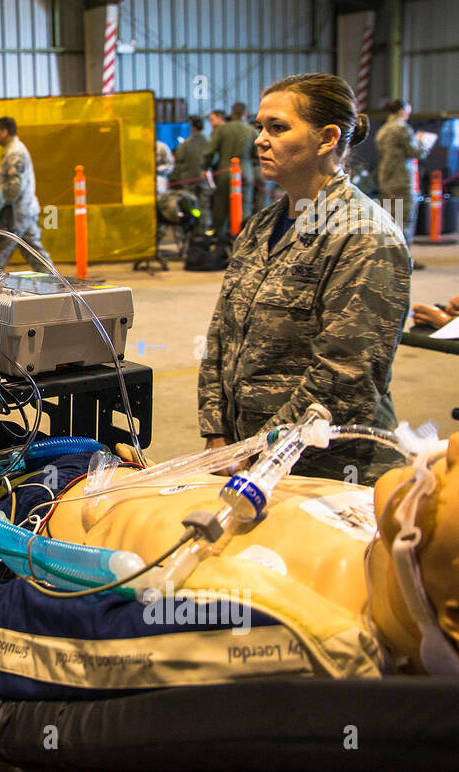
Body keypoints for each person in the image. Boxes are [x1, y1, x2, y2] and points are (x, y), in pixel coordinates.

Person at [46, 431, 459, 675]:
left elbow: (41, 636)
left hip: (38, 513)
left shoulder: (284, 629)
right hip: (117, 473)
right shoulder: (388, 535)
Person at [198, 73, 411, 482]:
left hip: (325, 472)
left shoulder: (364, 236)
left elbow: (346, 378)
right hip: (247, 465)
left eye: (277, 128)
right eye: (261, 127)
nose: (260, 139)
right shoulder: (262, 225)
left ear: (327, 138)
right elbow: (220, 335)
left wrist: (257, 454)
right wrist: (216, 433)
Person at [0, 116, 52, 271]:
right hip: (24, 210)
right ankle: (56, 284)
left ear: (4, 132)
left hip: (15, 214)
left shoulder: (14, 153)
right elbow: (14, 182)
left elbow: (15, 187)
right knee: (36, 254)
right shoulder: (15, 150)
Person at [374, 99, 430, 251]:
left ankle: (386, 256)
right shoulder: (401, 129)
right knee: (405, 220)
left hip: (386, 180)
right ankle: (403, 259)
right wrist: (423, 142)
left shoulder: (383, 130)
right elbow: (415, 152)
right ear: (402, 111)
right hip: (403, 181)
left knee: (388, 220)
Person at [205, 103, 255, 236]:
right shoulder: (250, 130)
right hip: (245, 172)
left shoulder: (221, 130)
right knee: (245, 206)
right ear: (244, 114)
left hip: (224, 172)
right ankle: (244, 238)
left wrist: (205, 167)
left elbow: (210, 152)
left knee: (221, 207)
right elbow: (258, 153)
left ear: (231, 113)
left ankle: (220, 239)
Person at [171, 116, 210, 217]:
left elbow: (179, 158)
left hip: (189, 179)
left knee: (191, 204)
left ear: (192, 127)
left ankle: (193, 225)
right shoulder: (208, 142)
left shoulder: (186, 143)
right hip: (204, 178)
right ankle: (204, 226)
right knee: (204, 204)